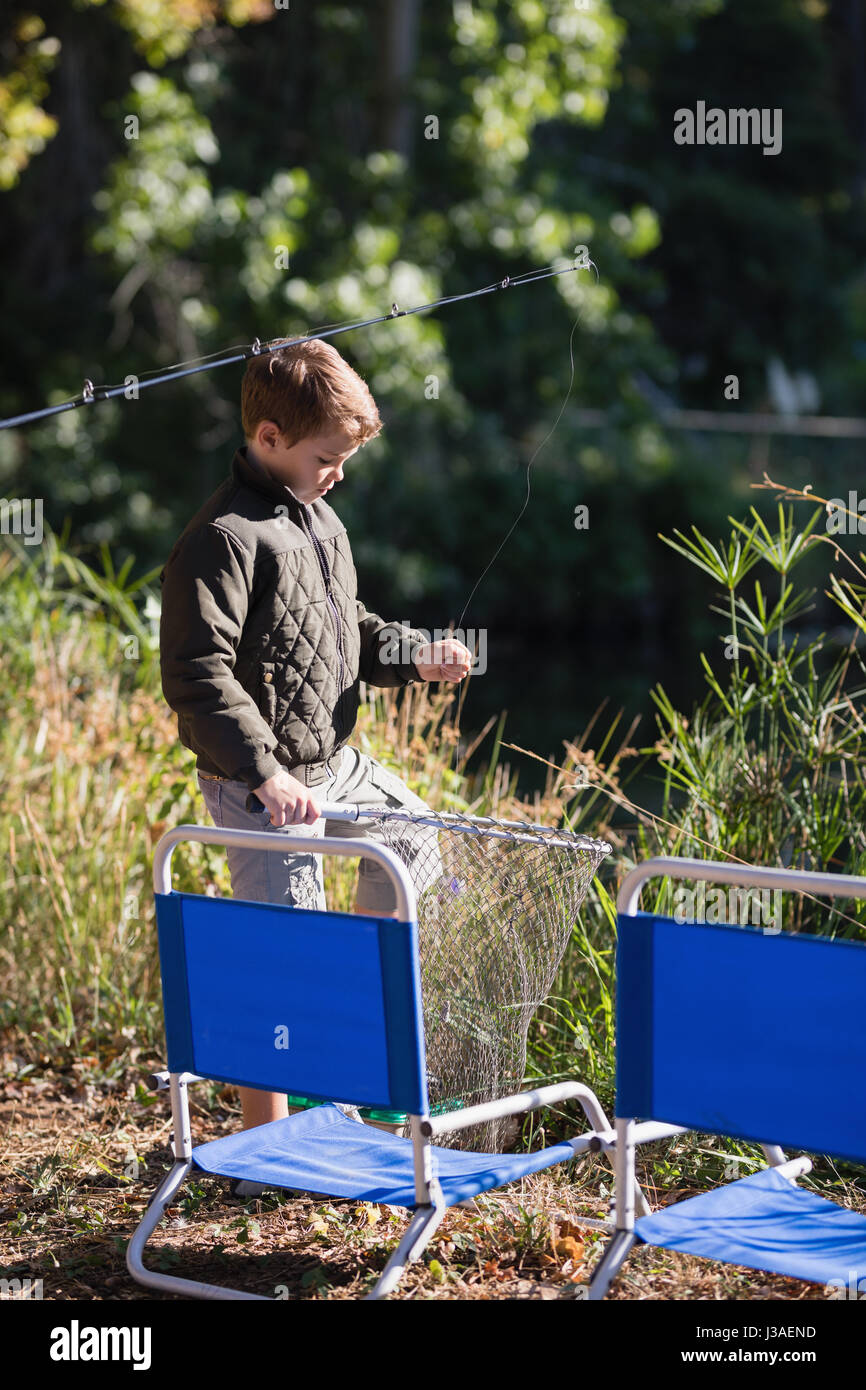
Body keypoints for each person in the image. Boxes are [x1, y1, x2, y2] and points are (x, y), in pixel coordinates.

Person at [158, 336, 472, 1151]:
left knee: (414, 847)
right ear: (269, 440)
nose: (339, 472)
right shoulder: (222, 539)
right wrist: (263, 774)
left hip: (338, 767)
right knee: (282, 956)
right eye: (328, 456)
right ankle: (265, 1143)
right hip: (259, 785)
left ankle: (362, 1071)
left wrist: (414, 653)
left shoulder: (321, 519)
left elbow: (348, 632)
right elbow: (198, 675)